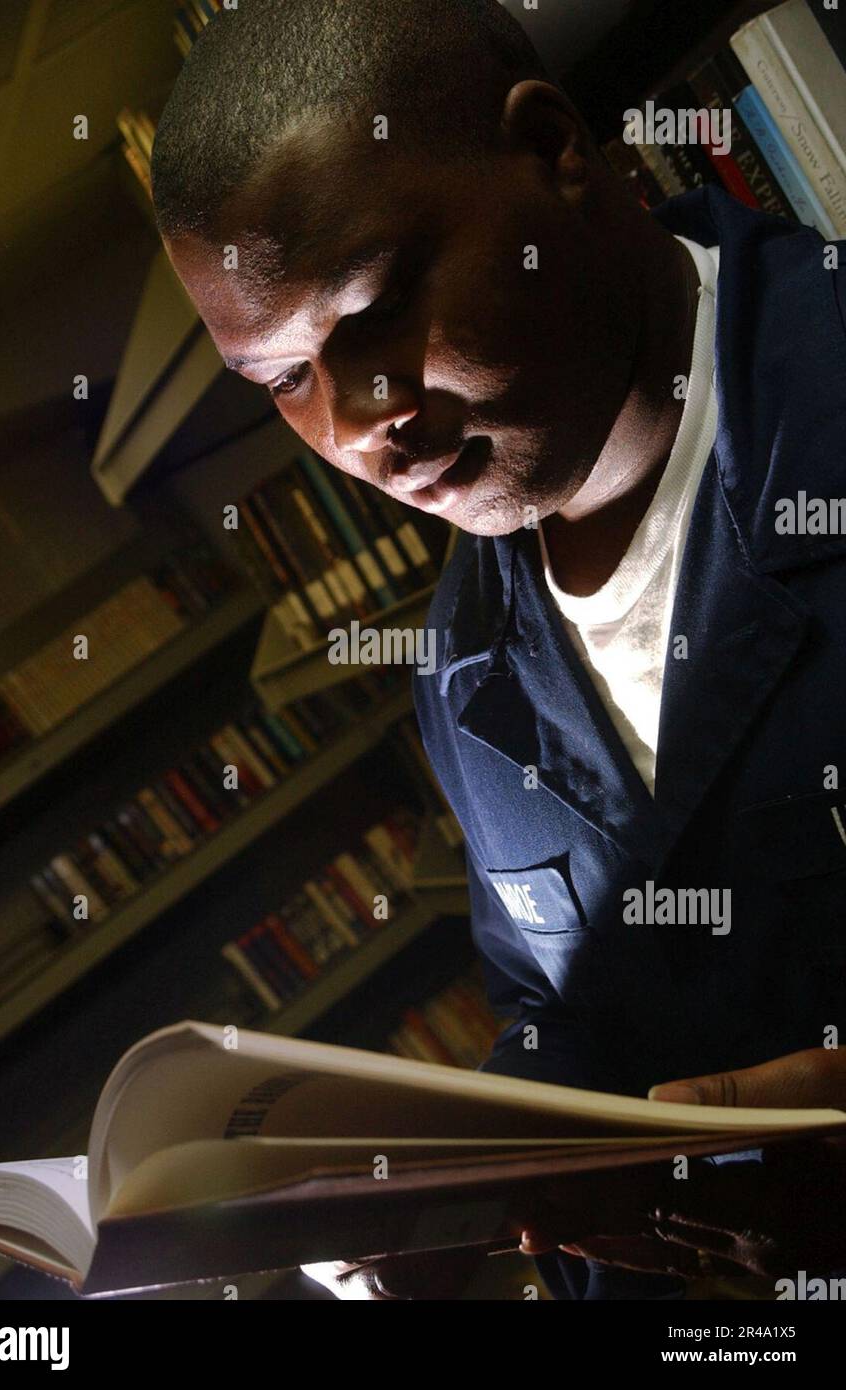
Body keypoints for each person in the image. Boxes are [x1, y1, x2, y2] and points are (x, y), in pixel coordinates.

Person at [150, 0, 846, 1299]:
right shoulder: (465, 664)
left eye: (378, 303)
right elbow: (574, 1011)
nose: (364, 421)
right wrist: (450, 1179)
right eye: (283, 377)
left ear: (555, 150)